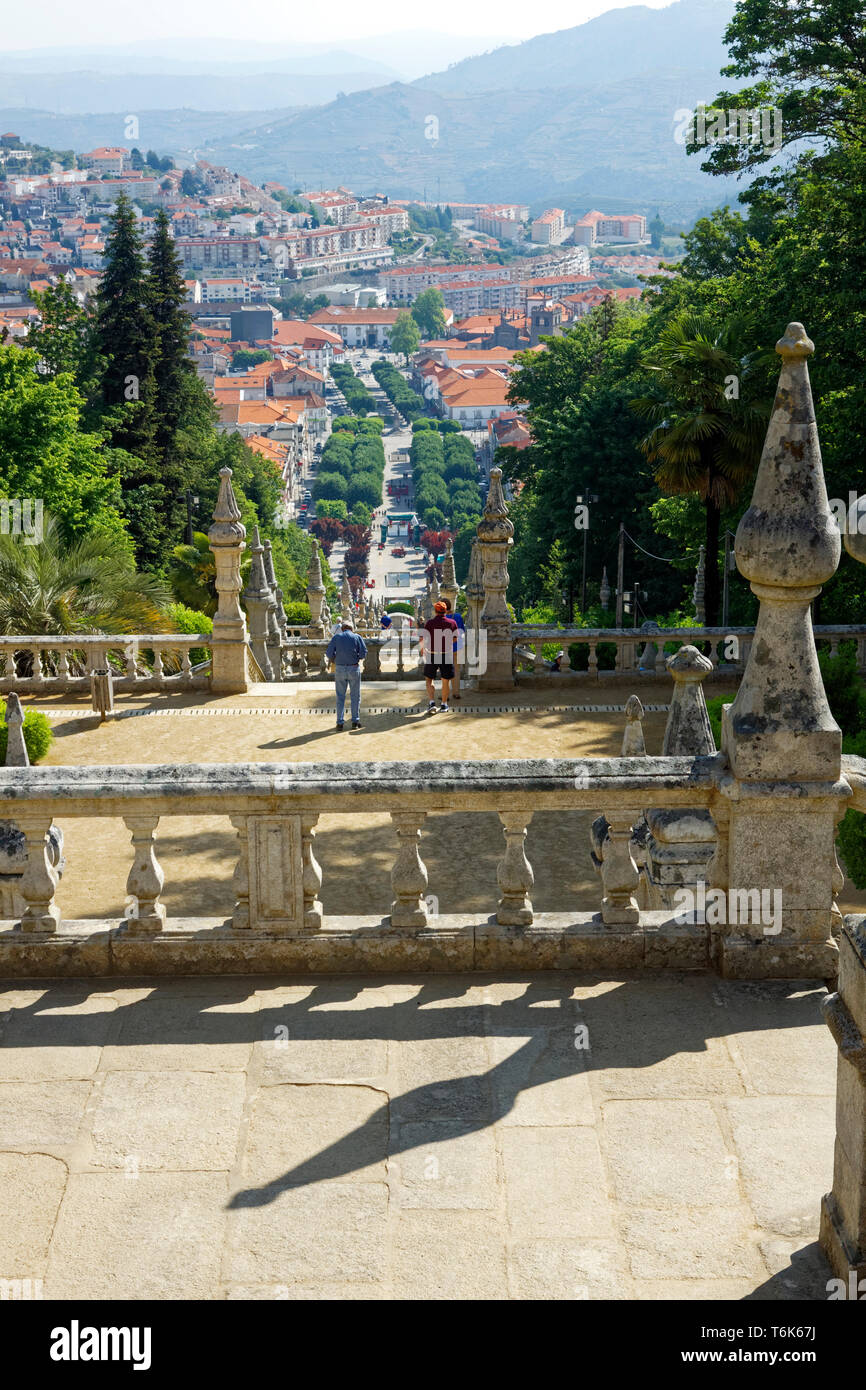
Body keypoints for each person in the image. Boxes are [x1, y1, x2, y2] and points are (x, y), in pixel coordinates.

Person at [325, 617, 367, 730]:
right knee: (355, 696)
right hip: (353, 668)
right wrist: (356, 658)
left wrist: (335, 660)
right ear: (352, 628)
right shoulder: (357, 637)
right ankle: (355, 721)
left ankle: (340, 723)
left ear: (342, 628)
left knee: (340, 697)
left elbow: (328, 653)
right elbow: (363, 654)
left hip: (339, 668)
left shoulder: (336, 637)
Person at [421, 600, 458, 713]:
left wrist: (424, 649)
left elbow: (424, 638)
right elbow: (455, 638)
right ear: (445, 610)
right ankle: (444, 704)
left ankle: (432, 702)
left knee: (429, 679)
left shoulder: (430, 623)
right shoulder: (452, 623)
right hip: (445, 654)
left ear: (435, 611)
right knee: (445, 681)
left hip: (432, 654)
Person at [441, 597, 465, 700]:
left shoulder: (441, 619)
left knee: (445, 671)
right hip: (458, 646)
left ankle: (445, 693)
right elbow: (462, 631)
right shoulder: (458, 616)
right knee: (457, 670)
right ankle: (456, 692)